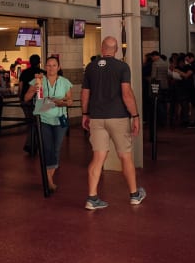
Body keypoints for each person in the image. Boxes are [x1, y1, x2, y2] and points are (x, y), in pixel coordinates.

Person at [81, 36, 145, 210]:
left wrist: (85, 114)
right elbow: (126, 94)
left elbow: (85, 93)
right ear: (116, 50)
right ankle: (134, 195)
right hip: (118, 117)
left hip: (97, 117)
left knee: (98, 158)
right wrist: (136, 116)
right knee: (125, 156)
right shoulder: (122, 67)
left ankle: (92, 198)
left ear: (102, 48)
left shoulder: (91, 67)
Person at [27, 56, 73, 191]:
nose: (51, 68)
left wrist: (62, 102)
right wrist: (33, 90)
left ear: (58, 67)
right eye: (48, 65)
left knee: (56, 148)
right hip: (43, 118)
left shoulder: (65, 82)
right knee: (47, 147)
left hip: (60, 119)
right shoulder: (38, 80)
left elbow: (70, 100)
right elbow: (26, 97)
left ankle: (48, 176)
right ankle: (49, 180)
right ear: (45, 67)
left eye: (54, 65)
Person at [18, 54, 44, 155]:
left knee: (31, 123)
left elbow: (20, 87)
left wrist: (20, 97)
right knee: (35, 123)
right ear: (39, 62)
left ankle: (31, 145)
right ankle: (32, 145)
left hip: (25, 101)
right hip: (38, 101)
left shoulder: (24, 72)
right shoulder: (42, 73)